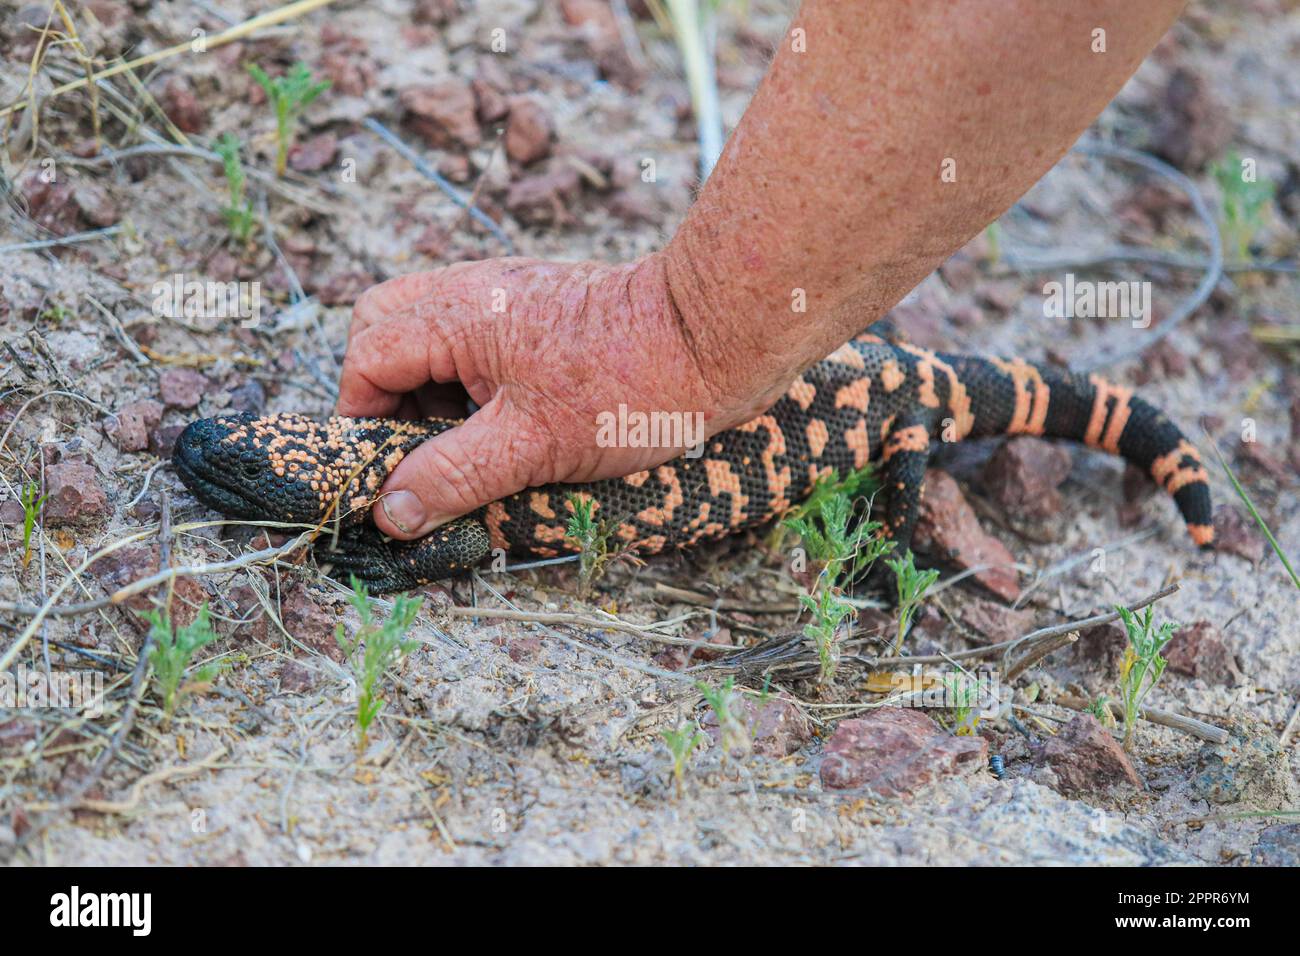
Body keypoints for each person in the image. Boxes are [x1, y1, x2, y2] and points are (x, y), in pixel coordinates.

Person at [336, 0, 1186, 540]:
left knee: (904, 447)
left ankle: (1158, 470)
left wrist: (681, 329)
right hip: (869, 375)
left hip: (901, 393)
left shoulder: (906, 407)